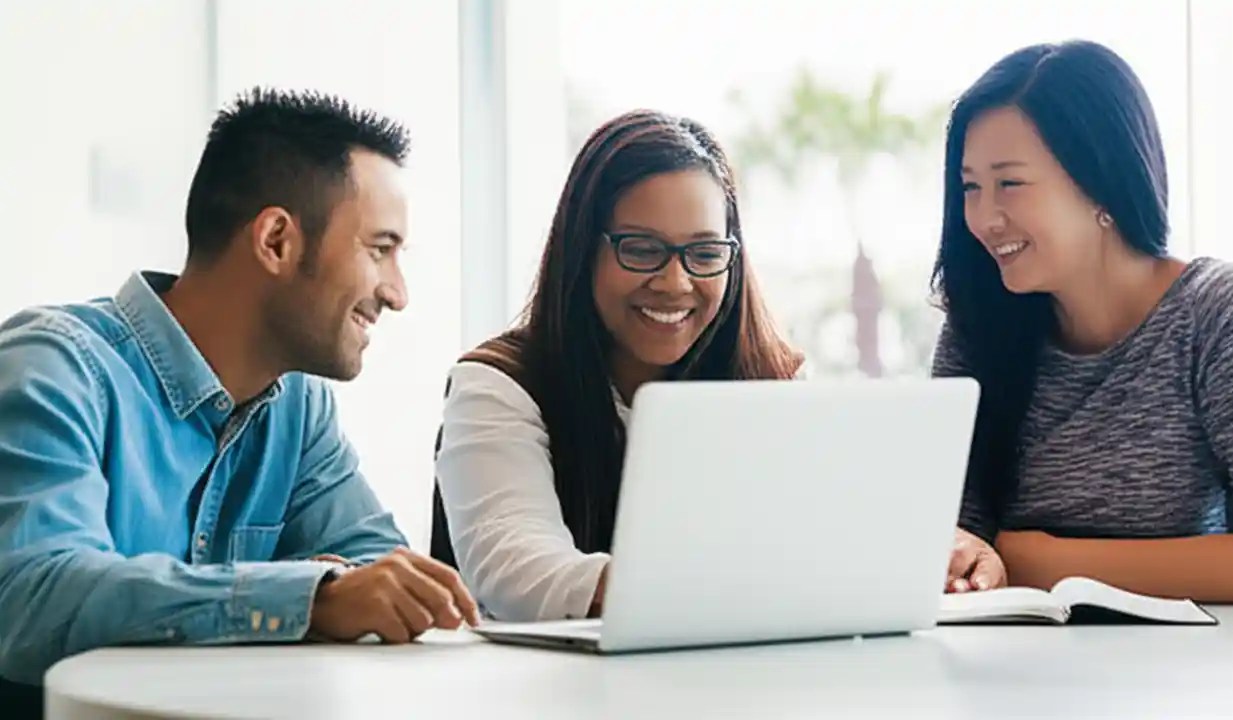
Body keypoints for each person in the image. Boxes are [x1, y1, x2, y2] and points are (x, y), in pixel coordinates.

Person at [0, 88, 479, 694]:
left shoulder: (298, 407)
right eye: (380, 250)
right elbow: (32, 597)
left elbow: (381, 576)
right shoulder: (53, 367)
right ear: (276, 240)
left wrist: (335, 593)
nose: (397, 292)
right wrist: (309, 597)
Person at [933, 40, 1233, 603]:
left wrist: (1039, 560)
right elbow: (960, 540)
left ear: (1101, 181)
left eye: (1010, 183)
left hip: (1197, 677)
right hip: (1012, 671)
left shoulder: (1222, 317)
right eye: (971, 187)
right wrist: (977, 558)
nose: (983, 218)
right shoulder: (978, 328)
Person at [431, 109, 804, 621]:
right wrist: (700, 586)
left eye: (703, 253)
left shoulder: (777, 384)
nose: (675, 283)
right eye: (642, 250)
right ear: (583, 248)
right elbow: (515, 568)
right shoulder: (498, 384)